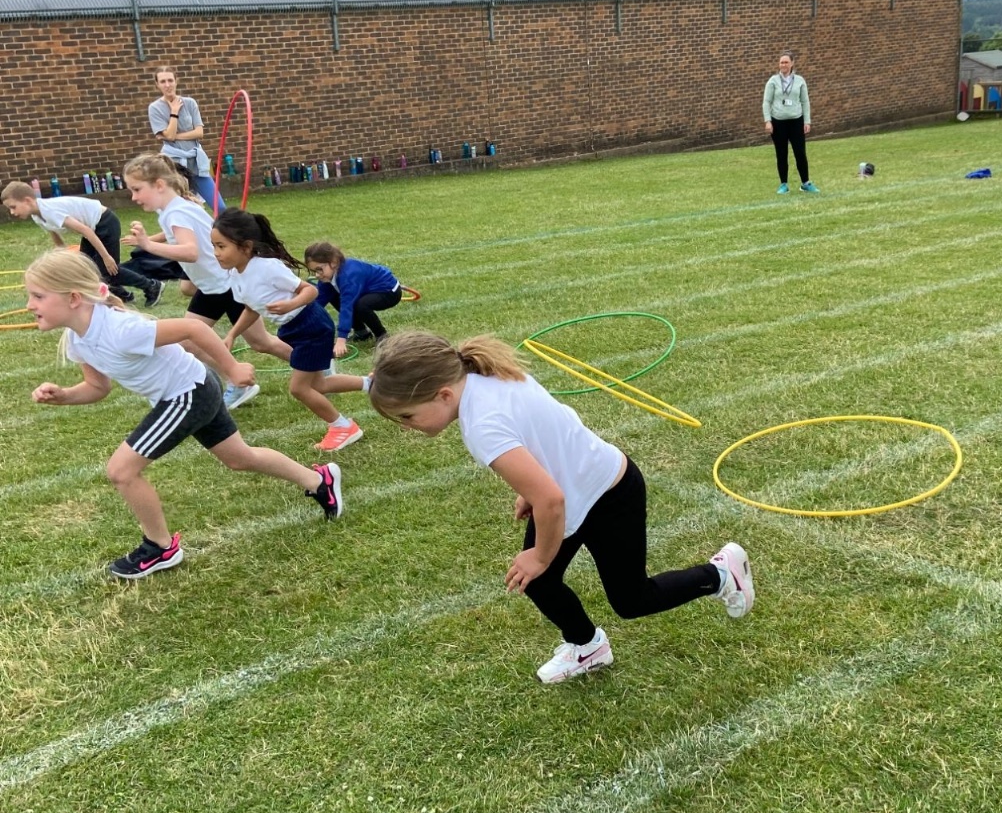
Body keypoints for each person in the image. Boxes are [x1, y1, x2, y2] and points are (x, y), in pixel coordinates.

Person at [368, 330, 755, 683]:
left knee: (631, 599)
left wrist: (539, 554)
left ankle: (721, 574)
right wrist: (532, 483)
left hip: (609, 494)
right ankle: (588, 646)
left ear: (443, 395)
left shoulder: (480, 424)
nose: (407, 427)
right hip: (575, 490)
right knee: (539, 582)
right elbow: (553, 426)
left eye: (407, 416)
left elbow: (550, 500)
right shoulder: (488, 375)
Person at [23, 250, 342, 579]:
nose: (31, 305)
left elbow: (196, 331)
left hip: (188, 392)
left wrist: (233, 368)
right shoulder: (77, 339)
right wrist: (63, 396)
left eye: (38, 296)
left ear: (74, 298)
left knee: (122, 470)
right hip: (190, 388)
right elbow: (97, 387)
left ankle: (161, 548)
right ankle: (320, 481)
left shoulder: (122, 329)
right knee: (239, 458)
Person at [121, 152, 287, 411]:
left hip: (227, 286)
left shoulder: (177, 213)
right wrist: (149, 240)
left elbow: (190, 251)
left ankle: (316, 364)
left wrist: (147, 245)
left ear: (160, 185)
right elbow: (176, 236)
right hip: (213, 286)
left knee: (260, 342)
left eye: (137, 189)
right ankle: (236, 380)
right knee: (187, 339)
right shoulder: (174, 209)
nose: (133, 197)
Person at [212, 208, 370, 451]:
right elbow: (252, 308)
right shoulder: (235, 275)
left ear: (245, 247)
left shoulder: (266, 268)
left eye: (221, 246)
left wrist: (291, 303)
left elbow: (310, 291)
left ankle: (342, 427)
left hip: (310, 325)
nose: (216, 253)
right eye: (214, 246)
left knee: (299, 388)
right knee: (319, 385)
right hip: (295, 330)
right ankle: (370, 384)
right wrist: (231, 335)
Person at [1, 181, 162, 307]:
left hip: (104, 222)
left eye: (13, 207)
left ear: (28, 200)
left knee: (107, 268)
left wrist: (106, 256)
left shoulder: (50, 210)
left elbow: (85, 230)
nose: (12, 212)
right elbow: (55, 234)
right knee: (86, 268)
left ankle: (152, 285)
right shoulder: (37, 215)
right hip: (93, 227)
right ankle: (120, 293)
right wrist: (63, 257)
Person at [147, 66, 224, 213]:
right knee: (182, 209)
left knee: (220, 207)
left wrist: (173, 136)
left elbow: (199, 132)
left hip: (195, 160)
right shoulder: (155, 108)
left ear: (176, 81)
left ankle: (223, 235)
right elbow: (168, 136)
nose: (167, 85)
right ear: (157, 84)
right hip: (173, 164)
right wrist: (174, 112)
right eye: (163, 81)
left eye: (170, 80)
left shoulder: (190, 103)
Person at [304, 242, 402, 356]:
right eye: (314, 271)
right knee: (333, 295)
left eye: (319, 269)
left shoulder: (349, 275)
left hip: (389, 291)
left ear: (334, 262)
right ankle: (362, 332)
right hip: (365, 290)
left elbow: (347, 307)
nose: (316, 275)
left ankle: (383, 337)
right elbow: (318, 302)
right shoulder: (328, 276)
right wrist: (301, 318)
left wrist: (341, 340)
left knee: (361, 305)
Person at [762, 50, 818, 195]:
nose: (784, 65)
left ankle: (806, 183)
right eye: (781, 62)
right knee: (781, 154)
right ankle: (783, 184)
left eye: (786, 62)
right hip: (778, 122)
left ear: (792, 63)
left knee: (800, 152)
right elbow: (766, 102)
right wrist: (768, 121)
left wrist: (807, 121)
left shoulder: (799, 81)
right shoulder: (773, 81)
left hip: (796, 121)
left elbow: (805, 102)